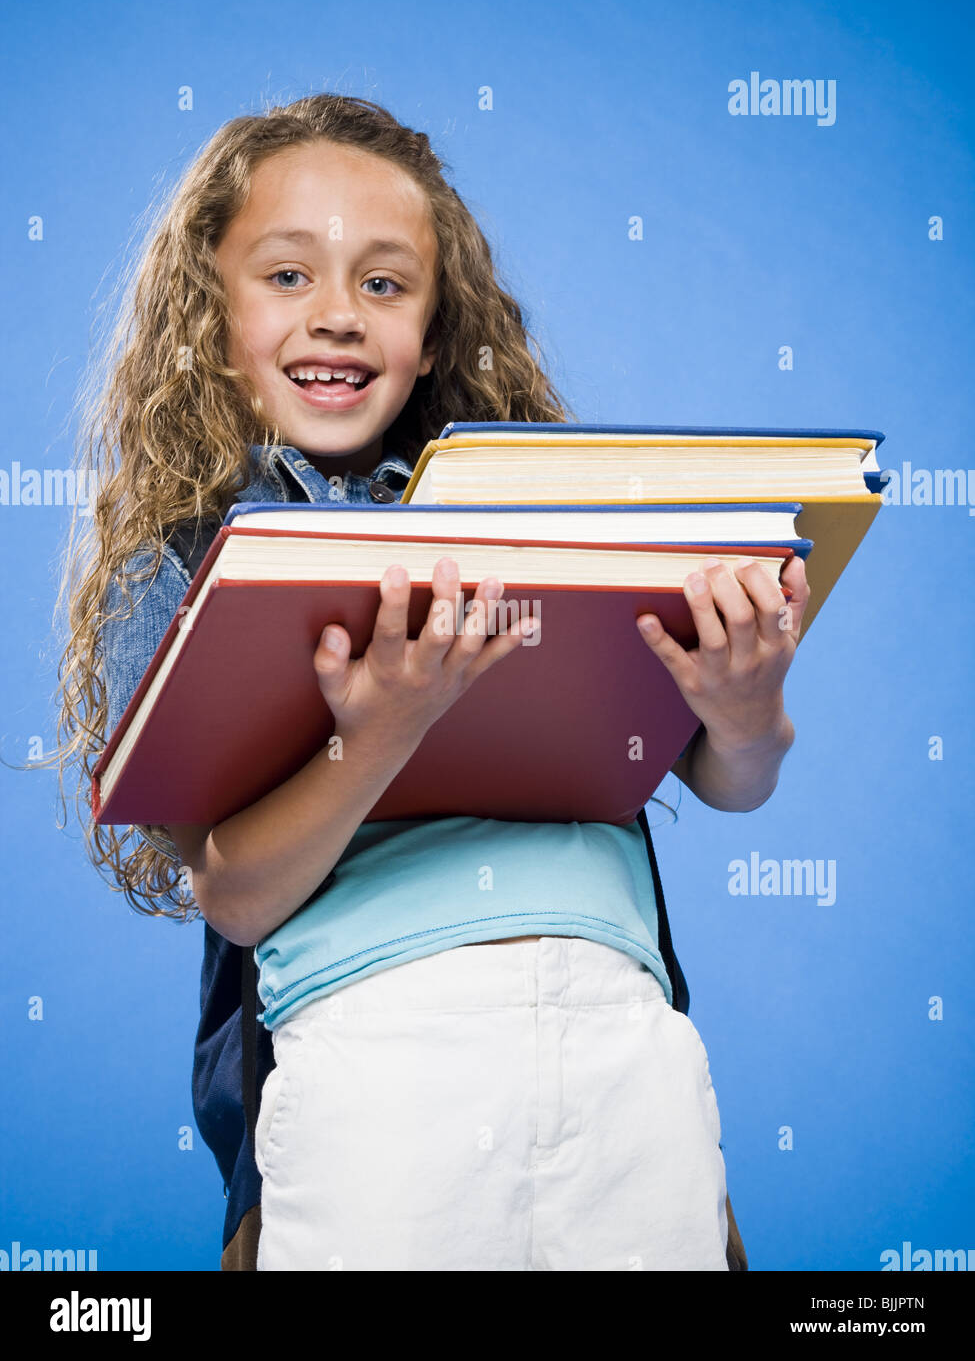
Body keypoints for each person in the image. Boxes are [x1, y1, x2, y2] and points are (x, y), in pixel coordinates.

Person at [51, 92, 807, 1271]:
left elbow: (733, 780)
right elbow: (235, 892)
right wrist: (381, 730)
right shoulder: (184, 561)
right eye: (288, 277)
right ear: (209, 310)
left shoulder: (542, 517)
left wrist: (746, 707)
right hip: (378, 1056)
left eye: (385, 284)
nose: (339, 317)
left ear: (439, 326)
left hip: (622, 1038)